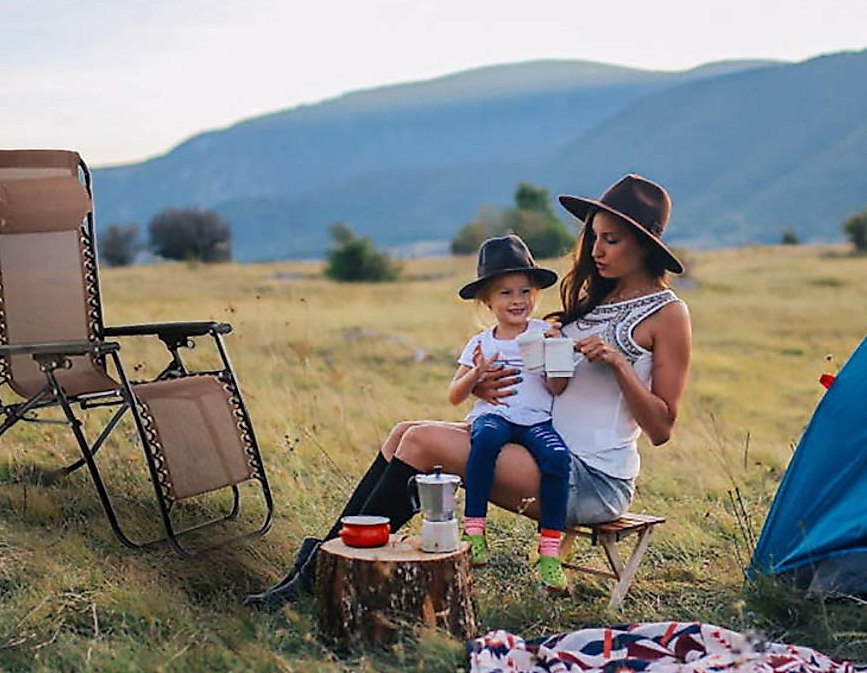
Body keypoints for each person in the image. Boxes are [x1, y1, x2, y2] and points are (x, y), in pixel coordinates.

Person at [244, 173, 691, 610]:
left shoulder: (668, 314)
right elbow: (550, 379)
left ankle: (320, 573)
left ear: (643, 242)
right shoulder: (592, 301)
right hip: (536, 442)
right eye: (593, 237)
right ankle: (327, 559)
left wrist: (617, 364)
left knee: (421, 443)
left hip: (589, 477)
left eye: (610, 239)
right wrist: (488, 382)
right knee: (405, 432)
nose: (595, 250)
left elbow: (662, 427)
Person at [451, 234, 571, 591]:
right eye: (505, 292)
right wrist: (476, 374)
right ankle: (475, 531)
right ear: (486, 300)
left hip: (537, 419)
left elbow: (557, 389)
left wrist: (556, 352)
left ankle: (550, 550)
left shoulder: (545, 332)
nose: (517, 300)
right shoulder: (481, 343)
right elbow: (455, 396)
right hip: (496, 415)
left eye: (524, 291)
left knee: (557, 457)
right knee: (485, 438)